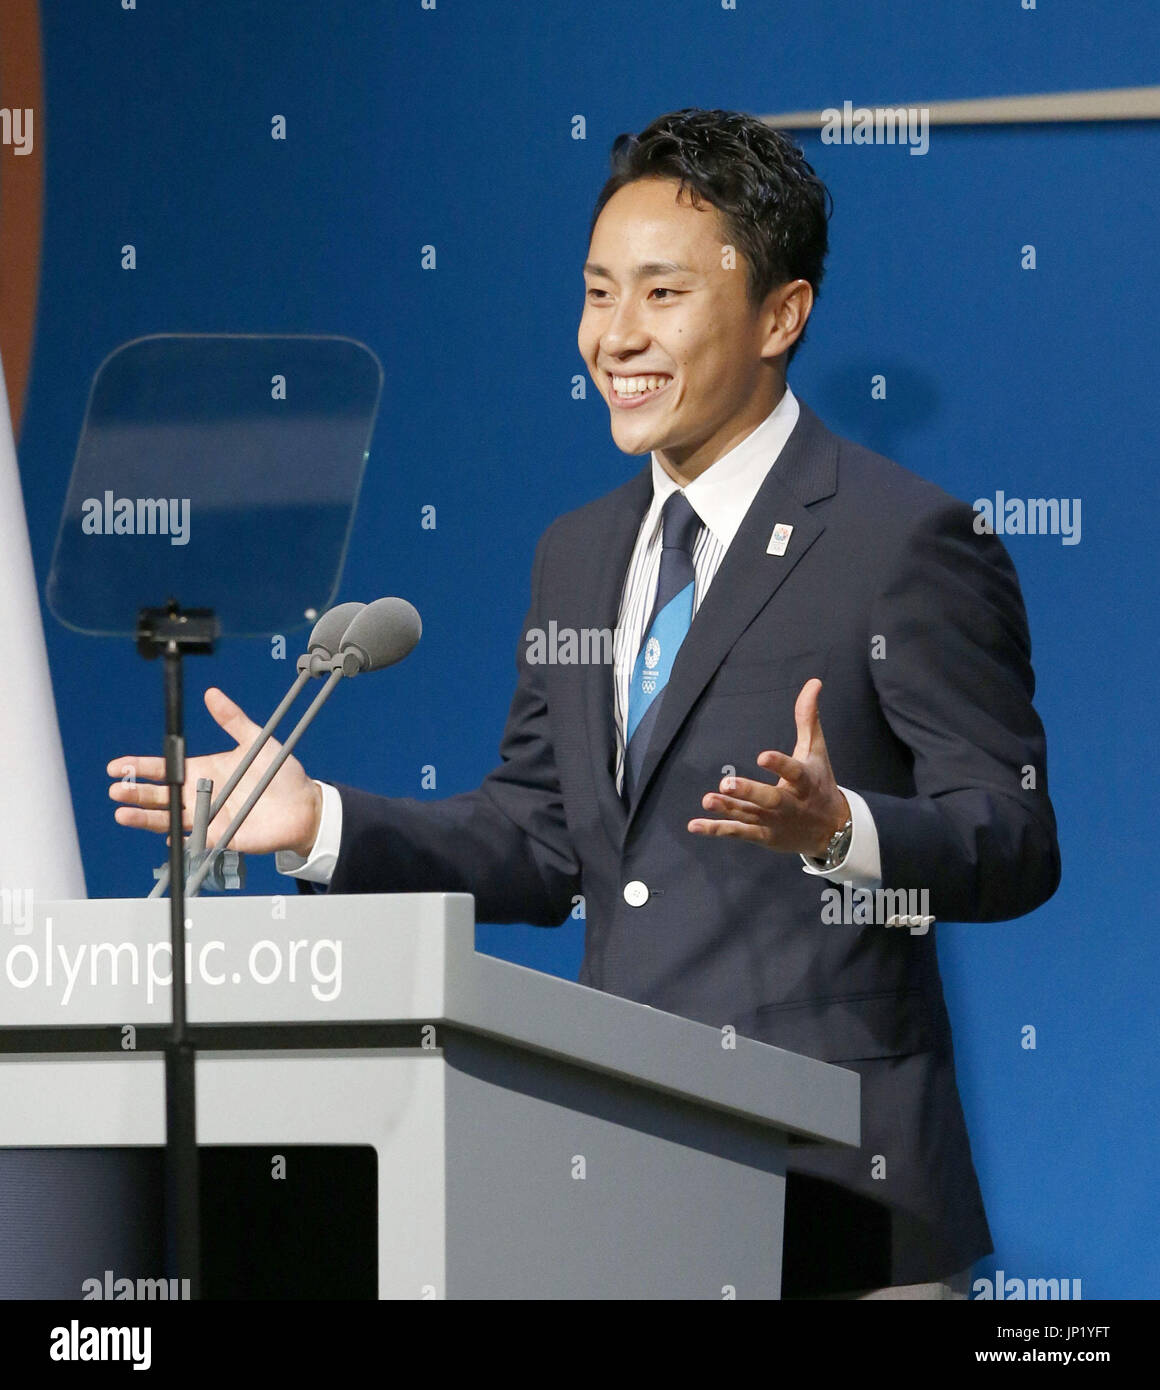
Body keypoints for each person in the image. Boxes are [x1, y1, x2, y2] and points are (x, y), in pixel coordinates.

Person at [109, 108, 1060, 1299]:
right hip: (630, 1185)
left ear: (779, 315)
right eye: (597, 292)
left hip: (846, 1206)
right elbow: (540, 842)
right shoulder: (577, 554)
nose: (614, 337)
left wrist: (842, 832)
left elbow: (1014, 837)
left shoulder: (901, 539)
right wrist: (321, 825)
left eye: (660, 295)